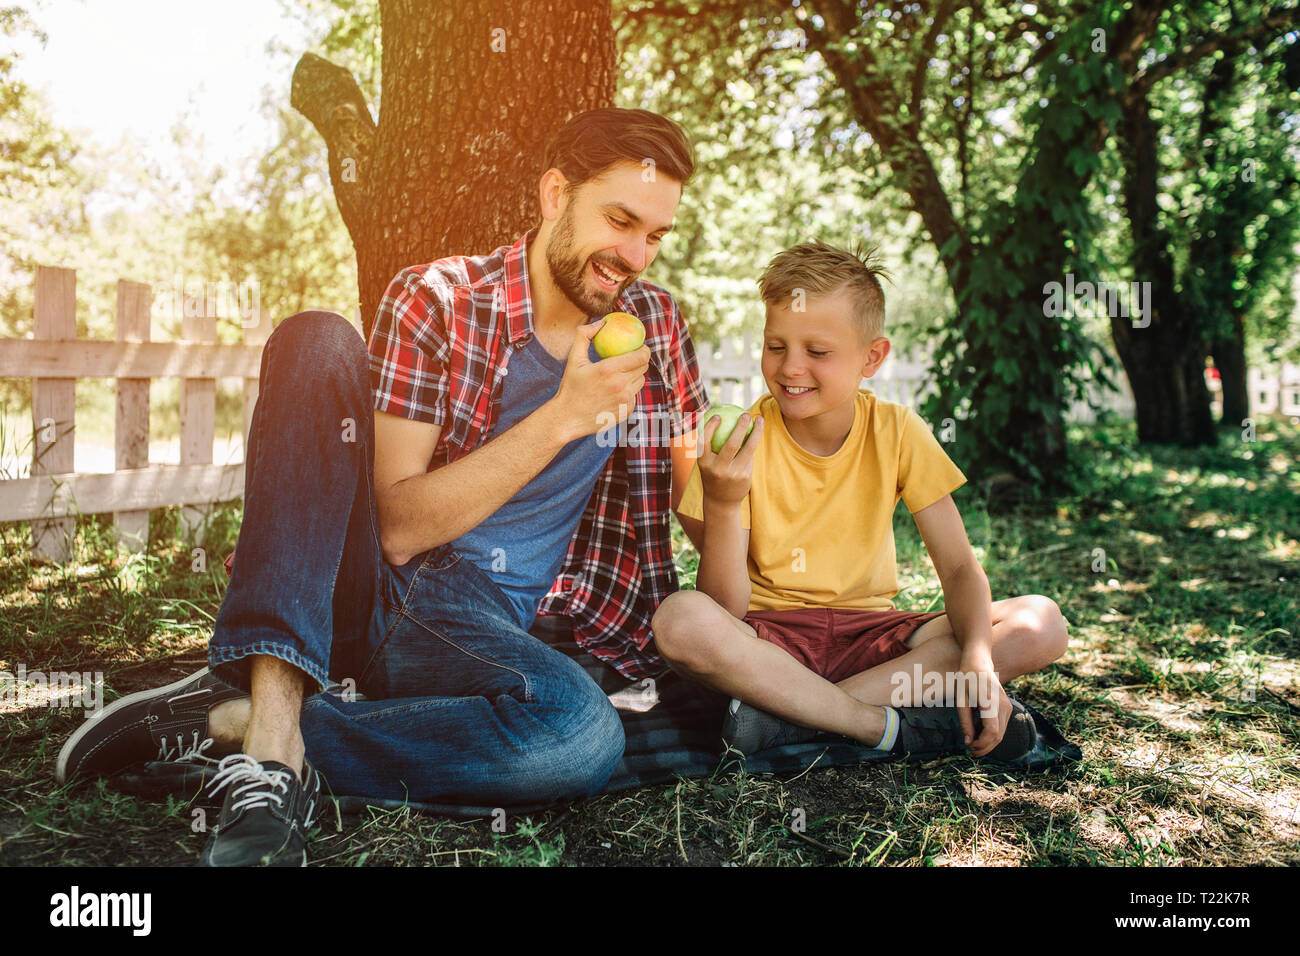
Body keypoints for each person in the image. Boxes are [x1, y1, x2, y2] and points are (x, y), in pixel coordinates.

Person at [56, 107, 708, 866]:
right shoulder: (439, 299)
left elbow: (697, 504)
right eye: (620, 220)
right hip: (381, 589)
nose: (634, 254)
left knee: (578, 736)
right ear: (555, 194)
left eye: (655, 236)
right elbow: (397, 528)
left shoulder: (655, 324)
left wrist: (732, 501)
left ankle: (226, 719)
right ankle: (270, 754)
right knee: (316, 340)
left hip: (484, 627)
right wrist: (564, 417)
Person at [653, 240, 1069, 761]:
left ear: (872, 357)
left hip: (876, 642)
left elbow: (960, 568)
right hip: (770, 643)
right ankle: (875, 725)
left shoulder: (898, 431)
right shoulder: (744, 440)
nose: (790, 368)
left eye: (817, 351)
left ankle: (791, 715)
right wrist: (724, 501)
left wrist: (979, 660)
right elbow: (725, 609)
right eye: (775, 345)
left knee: (1042, 622)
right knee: (680, 620)